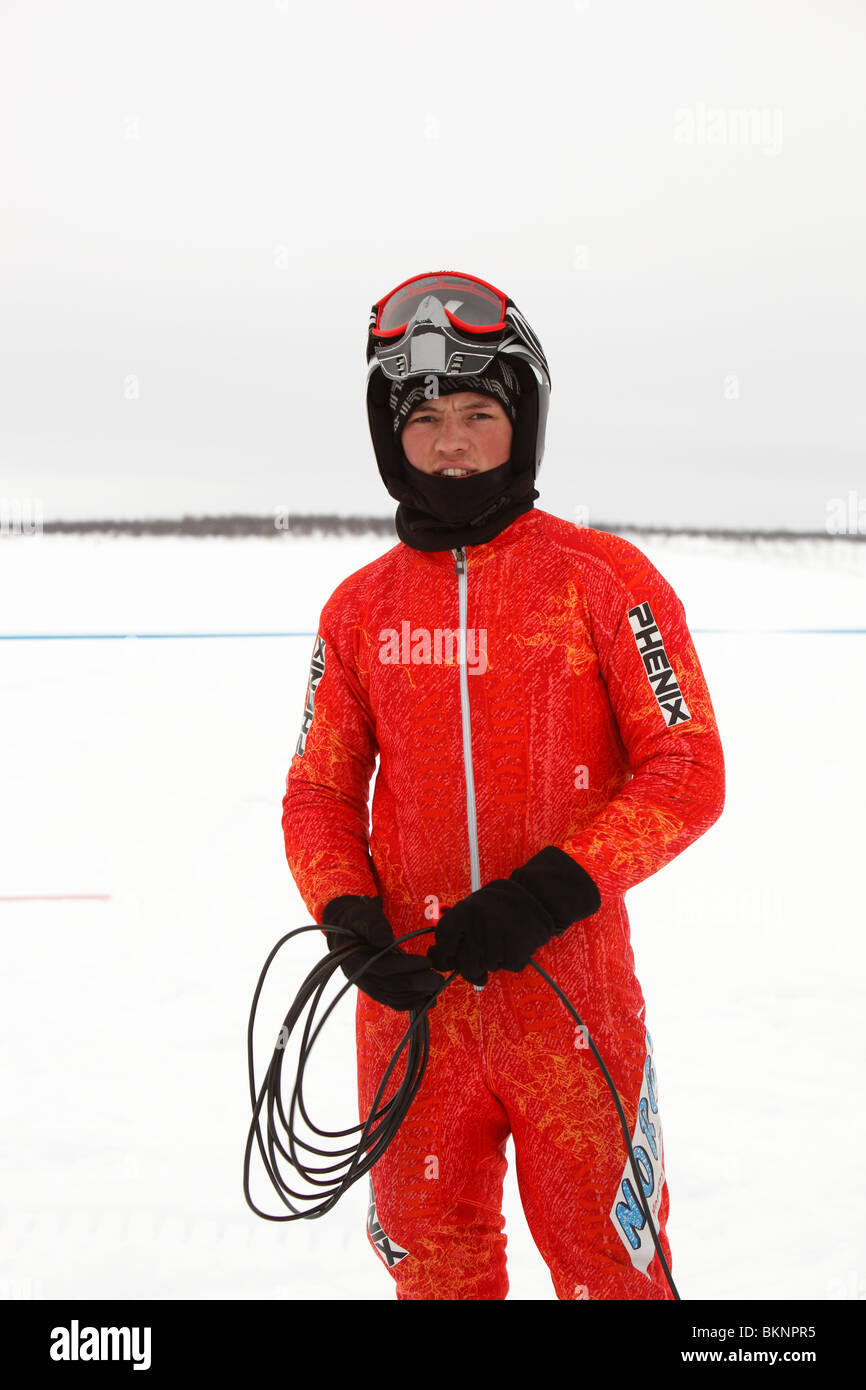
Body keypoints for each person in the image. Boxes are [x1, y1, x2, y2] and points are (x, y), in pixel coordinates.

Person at [281, 270, 725, 1300]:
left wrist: (545, 893)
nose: (447, 445)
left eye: (477, 415)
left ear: (522, 420)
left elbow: (687, 767)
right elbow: (317, 792)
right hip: (410, 1009)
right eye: (424, 419)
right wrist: (346, 914)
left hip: (570, 1007)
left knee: (612, 1273)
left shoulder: (601, 579)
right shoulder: (357, 610)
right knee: (432, 1275)